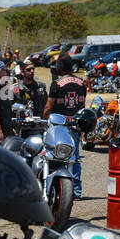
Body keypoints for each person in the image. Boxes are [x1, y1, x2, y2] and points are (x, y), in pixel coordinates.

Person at [42, 55, 88, 195]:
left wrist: (44, 122)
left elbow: (48, 107)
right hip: (75, 125)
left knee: (53, 155)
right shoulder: (82, 83)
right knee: (75, 158)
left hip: (59, 125)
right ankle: (76, 190)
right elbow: (82, 105)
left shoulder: (57, 83)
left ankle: (54, 186)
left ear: (59, 68)